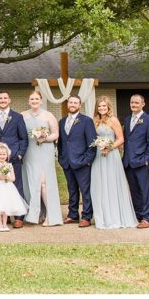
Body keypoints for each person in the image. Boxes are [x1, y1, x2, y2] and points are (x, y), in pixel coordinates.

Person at [91, 97, 138, 229]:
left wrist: (109, 147)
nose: (101, 109)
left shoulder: (113, 120)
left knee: (111, 184)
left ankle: (115, 216)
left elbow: (121, 138)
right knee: (100, 185)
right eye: (99, 106)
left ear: (108, 107)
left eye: (104, 106)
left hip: (111, 156)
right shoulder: (94, 120)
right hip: (98, 156)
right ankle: (103, 217)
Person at [21, 91, 63, 226]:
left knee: (44, 183)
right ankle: (36, 213)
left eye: (36, 99)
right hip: (30, 152)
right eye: (32, 99)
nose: (34, 101)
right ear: (28, 101)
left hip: (45, 151)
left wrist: (44, 138)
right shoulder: (22, 115)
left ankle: (51, 215)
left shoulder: (48, 115)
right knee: (32, 183)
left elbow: (56, 134)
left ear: (41, 101)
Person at [0, 91, 29, 228]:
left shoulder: (17, 117)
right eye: (0, 98)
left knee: (16, 186)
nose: (3, 100)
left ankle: (19, 217)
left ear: (9, 100)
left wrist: (20, 154)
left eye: (5, 98)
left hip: (14, 158)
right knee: (0, 189)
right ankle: (3, 215)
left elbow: (24, 138)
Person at [58, 95, 98, 228]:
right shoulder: (62, 122)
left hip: (82, 162)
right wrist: (61, 158)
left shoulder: (86, 121)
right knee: (72, 189)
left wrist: (88, 160)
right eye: (70, 102)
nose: (72, 104)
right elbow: (62, 143)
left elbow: (92, 143)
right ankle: (73, 214)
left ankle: (86, 216)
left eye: (75, 103)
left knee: (85, 190)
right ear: (67, 104)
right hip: (67, 162)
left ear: (79, 105)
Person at [122, 94, 149, 229]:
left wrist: (147, 159)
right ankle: (137, 216)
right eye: (132, 102)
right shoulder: (126, 120)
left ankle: (147, 217)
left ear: (143, 104)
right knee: (134, 190)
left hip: (142, 161)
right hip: (128, 161)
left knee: (144, 190)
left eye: (137, 103)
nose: (134, 105)